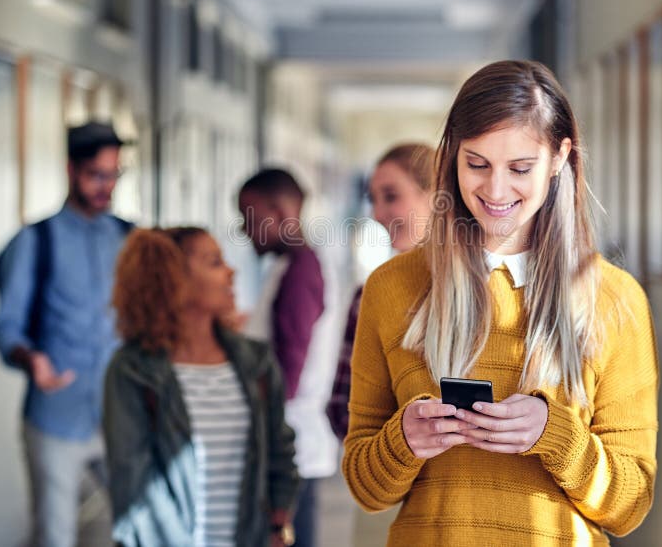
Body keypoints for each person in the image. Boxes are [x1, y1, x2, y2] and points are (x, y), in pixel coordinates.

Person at [342, 60, 659, 546]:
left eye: (519, 168)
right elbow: (366, 489)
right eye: (477, 164)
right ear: (450, 158)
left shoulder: (614, 299)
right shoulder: (391, 288)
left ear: (559, 158)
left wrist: (556, 436)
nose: (494, 190)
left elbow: (629, 505)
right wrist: (402, 441)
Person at [104, 227, 299, 547]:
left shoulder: (256, 362)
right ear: (172, 278)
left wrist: (279, 520)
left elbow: (280, 449)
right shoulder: (133, 371)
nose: (231, 272)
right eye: (214, 262)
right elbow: (133, 484)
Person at [0, 121, 133, 547]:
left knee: (138, 527)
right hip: (56, 417)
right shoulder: (36, 240)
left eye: (114, 175)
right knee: (56, 534)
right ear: (71, 170)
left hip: (118, 416)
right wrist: (29, 357)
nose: (107, 186)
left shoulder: (129, 237)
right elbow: (5, 326)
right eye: (96, 175)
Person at [238, 169, 338, 547]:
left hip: (290, 450)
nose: (244, 228)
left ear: (279, 212)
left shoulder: (300, 271)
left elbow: (286, 376)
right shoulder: (289, 265)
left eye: (249, 216)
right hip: (287, 443)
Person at [326, 142, 436, 439]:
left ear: (438, 197)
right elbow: (342, 412)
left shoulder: (486, 291)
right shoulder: (369, 296)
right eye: (373, 199)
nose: (377, 213)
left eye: (391, 196)